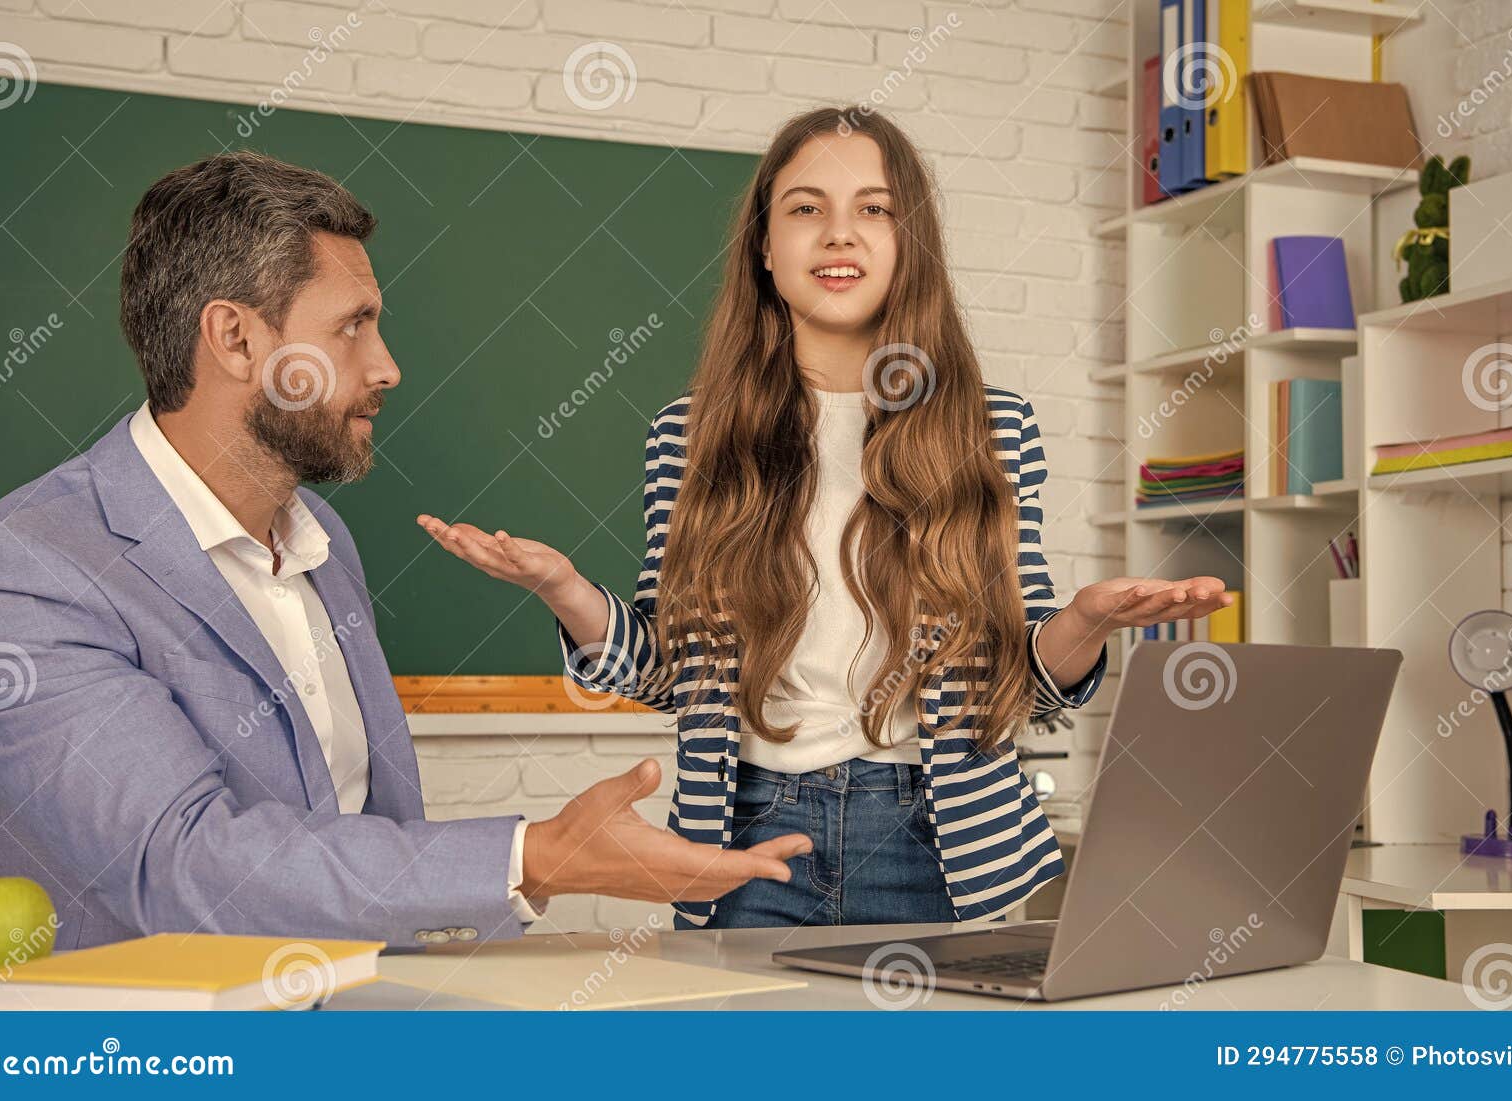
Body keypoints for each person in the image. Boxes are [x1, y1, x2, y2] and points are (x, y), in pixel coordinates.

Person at [0, 151, 809, 952]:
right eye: (352, 326)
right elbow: (184, 866)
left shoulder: (322, 543)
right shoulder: (25, 577)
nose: (388, 366)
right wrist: (536, 857)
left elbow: (371, 832)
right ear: (236, 338)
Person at [419, 107, 1231, 930]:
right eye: (806, 208)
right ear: (765, 248)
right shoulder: (690, 435)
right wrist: (564, 589)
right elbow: (668, 673)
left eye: (874, 209)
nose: (840, 233)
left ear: (909, 244)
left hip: (937, 840)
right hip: (747, 837)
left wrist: (1087, 621)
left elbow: (1023, 678)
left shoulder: (989, 427)